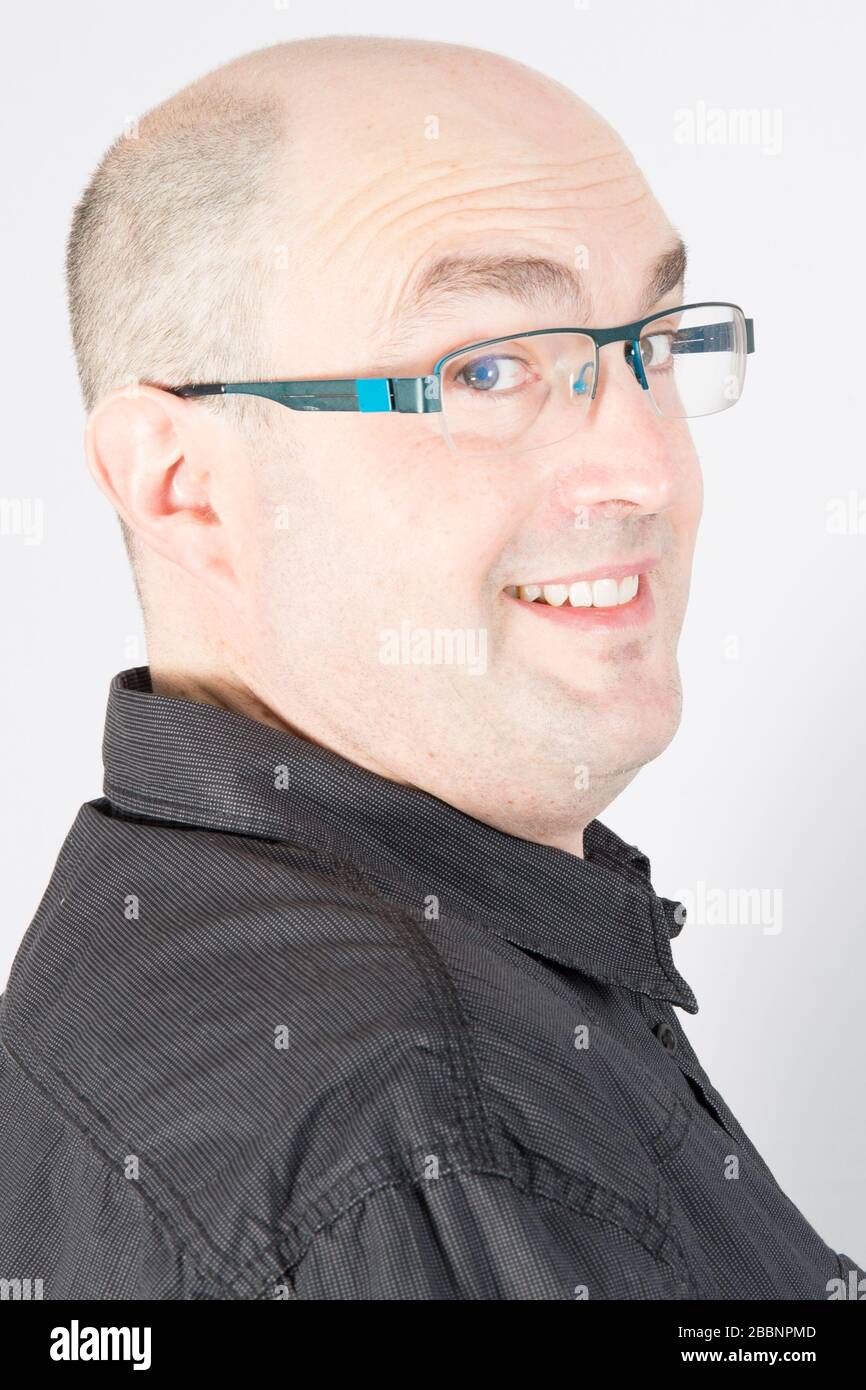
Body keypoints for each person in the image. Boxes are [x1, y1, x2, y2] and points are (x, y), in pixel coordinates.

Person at [0, 35, 860, 1299]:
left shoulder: (188, 932)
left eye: (652, 345)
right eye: (485, 368)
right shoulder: (422, 1147)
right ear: (182, 488)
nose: (646, 470)